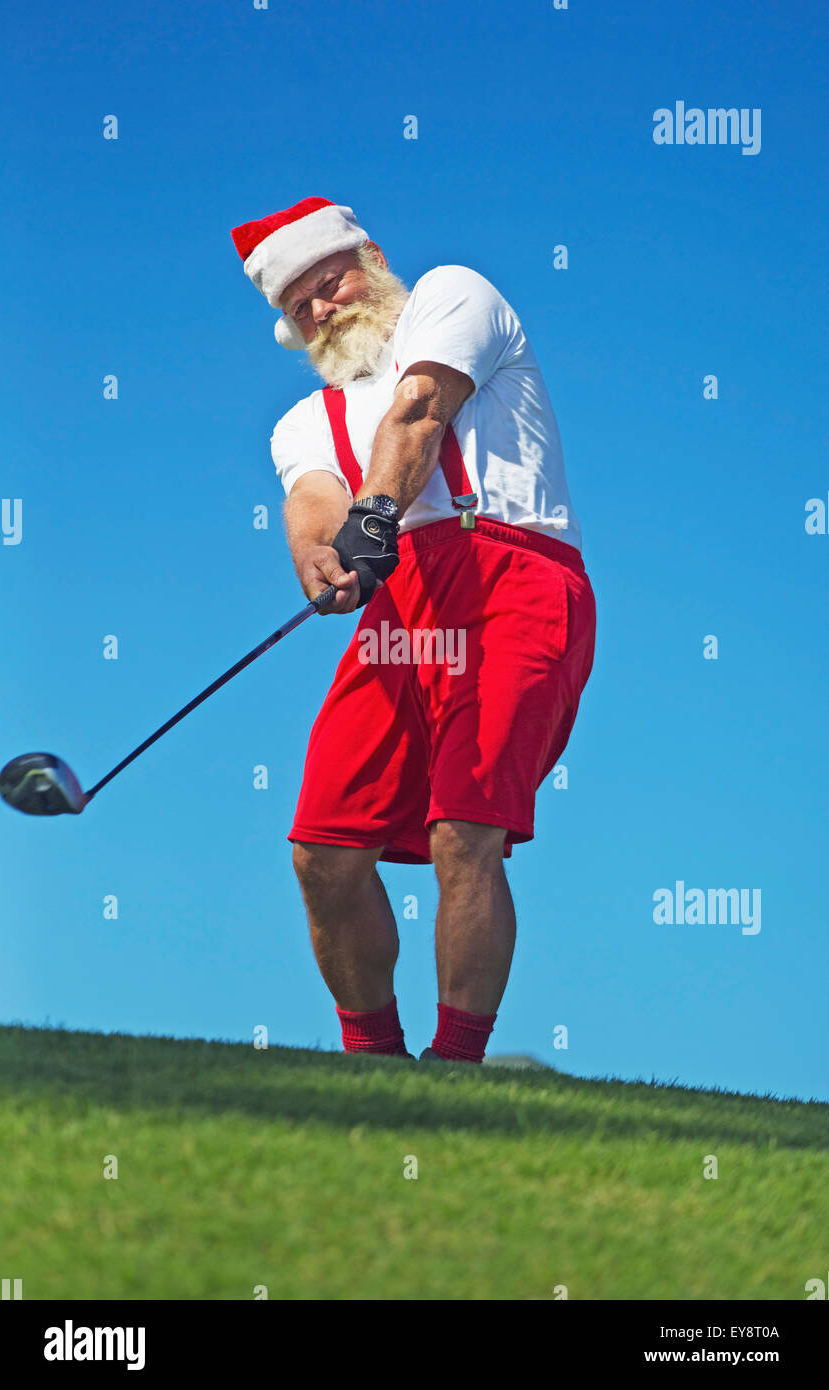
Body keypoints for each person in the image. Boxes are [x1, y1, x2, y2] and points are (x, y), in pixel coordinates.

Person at [231, 197, 596, 1064]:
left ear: (372, 256)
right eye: (299, 304)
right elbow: (311, 501)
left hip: (512, 573)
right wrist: (321, 557)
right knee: (323, 848)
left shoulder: (452, 293)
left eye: (331, 280)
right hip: (405, 607)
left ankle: (457, 1063)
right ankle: (376, 1063)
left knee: (465, 825)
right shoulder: (304, 419)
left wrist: (375, 515)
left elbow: (422, 407)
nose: (322, 306)